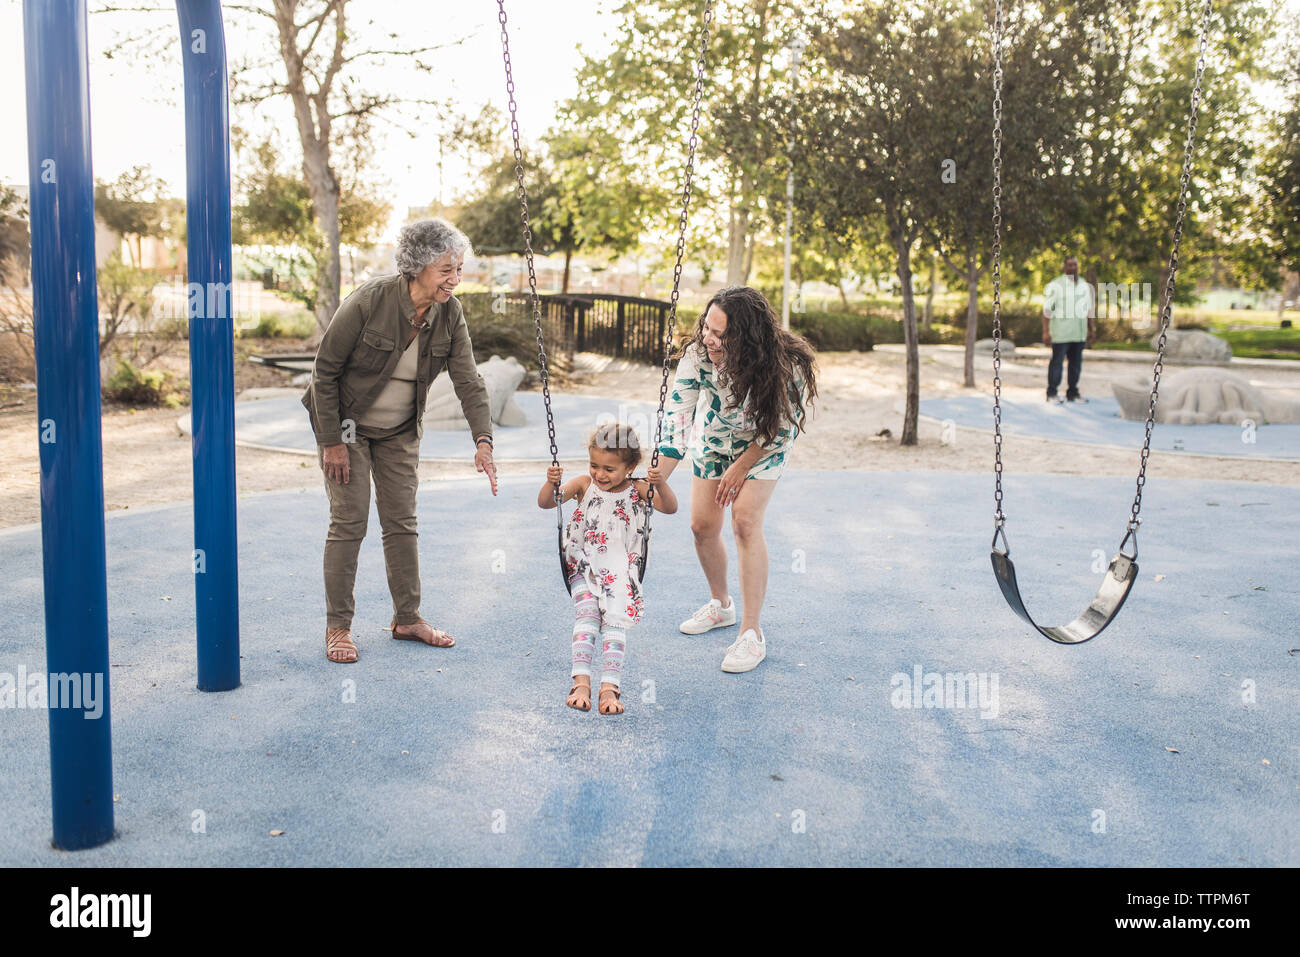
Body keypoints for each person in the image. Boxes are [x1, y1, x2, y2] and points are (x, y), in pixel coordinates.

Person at [302, 218, 498, 663]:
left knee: (402, 522)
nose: (455, 279)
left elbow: (468, 379)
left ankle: (407, 617)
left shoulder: (451, 313)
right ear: (417, 267)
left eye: (459, 269)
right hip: (347, 428)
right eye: (446, 269)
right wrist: (332, 440)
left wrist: (482, 439)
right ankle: (338, 627)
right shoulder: (370, 301)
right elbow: (325, 371)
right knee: (349, 521)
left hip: (399, 432)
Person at [654, 286, 817, 674]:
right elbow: (678, 419)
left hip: (765, 442)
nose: (708, 338)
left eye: (719, 334)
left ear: (745, 337)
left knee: (744, 521)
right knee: (701, 525)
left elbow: (779, 427)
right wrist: (655, 478)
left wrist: (742, 466)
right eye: (706, 327)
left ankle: (750, 633)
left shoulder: (784, 363)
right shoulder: (698, 355)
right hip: (716, 436)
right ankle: (721, 606)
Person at [540, 424, 678, 715]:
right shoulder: (582, 485)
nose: (600, 474)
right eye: (594, 465)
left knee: (614, 621)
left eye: (609, 469)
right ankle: (580, 683)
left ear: (630, 467)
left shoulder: (639, 490)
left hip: (620, 571)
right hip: (582, 564)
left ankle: (609, 688)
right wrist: (550, 483)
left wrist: (661, 483)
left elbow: (670, 508)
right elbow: (546, 503)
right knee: (588, 613)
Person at [1042, 255, 1096, 403]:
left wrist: (1092, 329)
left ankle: (1073, 393)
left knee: (1076, 365)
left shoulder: (1084, 285)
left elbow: (1089, 309)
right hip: (1061, 333)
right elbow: (1047, 310)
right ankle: (1052, 393)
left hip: (1079, 333)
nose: (1073, 268)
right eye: (1070, 265)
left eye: (1075, 265)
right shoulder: (1056, 285)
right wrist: (1046, 332)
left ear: (1078, 267)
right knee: (1057, 363)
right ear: (1064, 267)